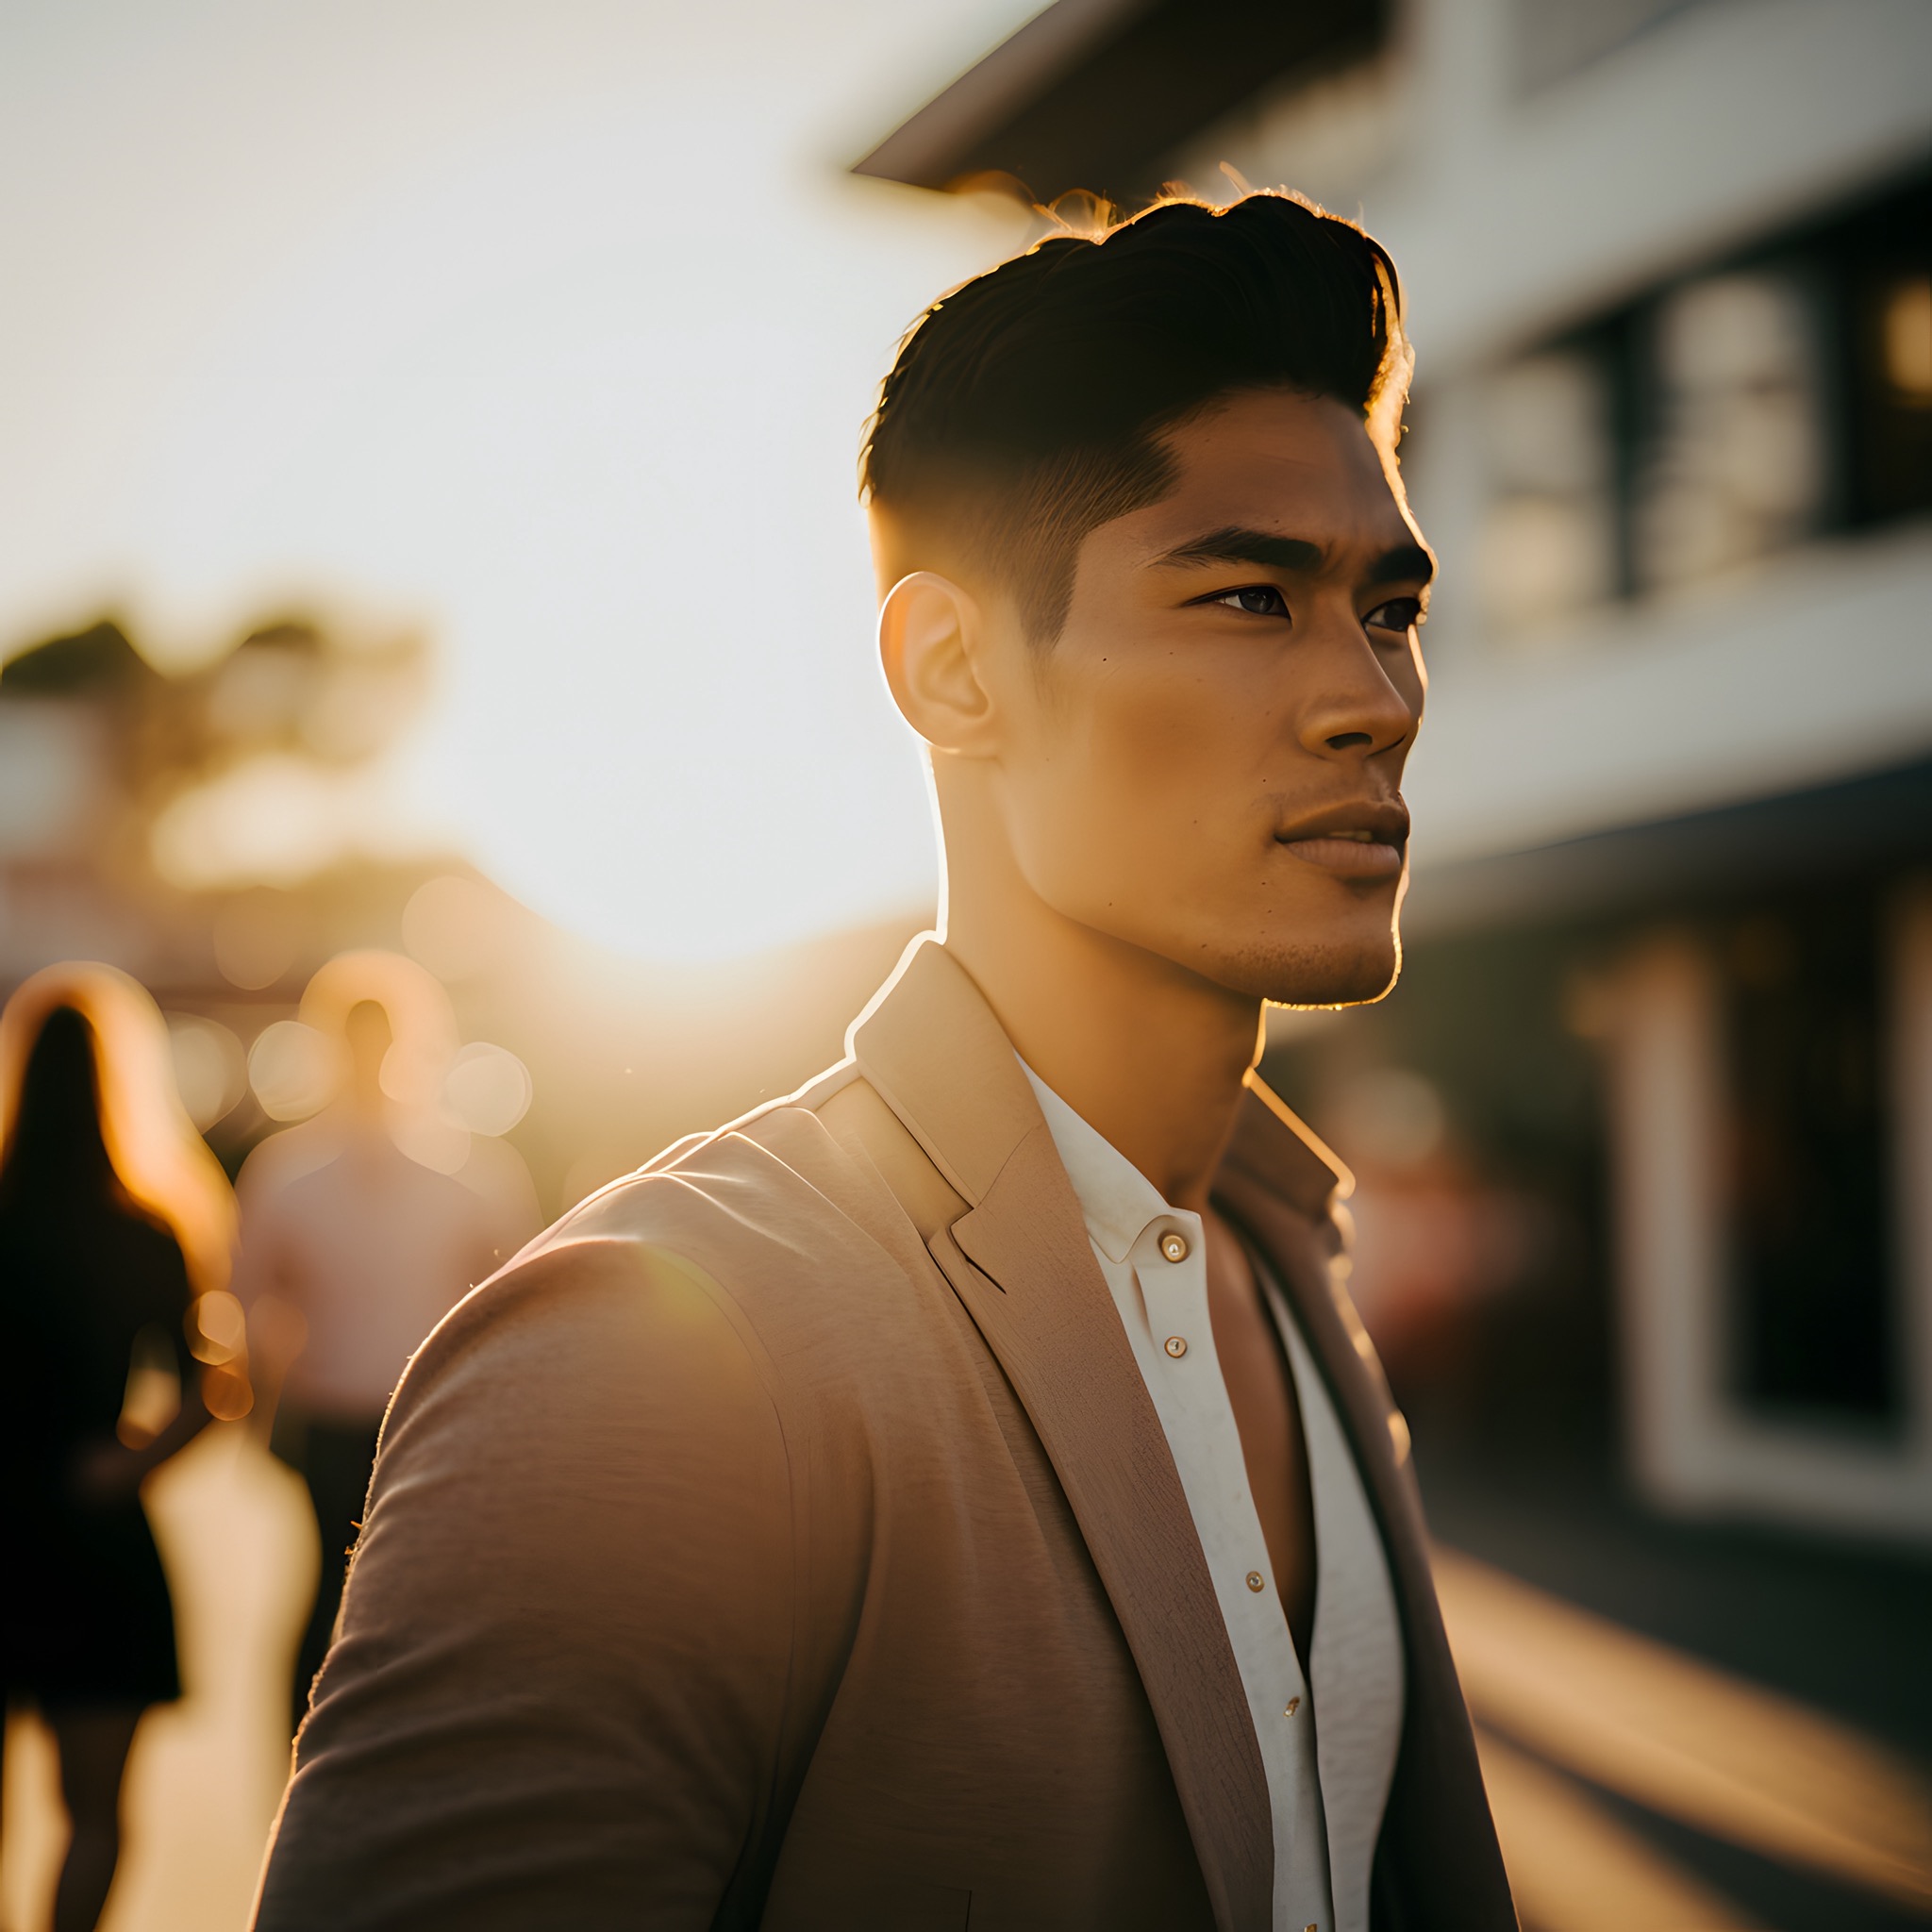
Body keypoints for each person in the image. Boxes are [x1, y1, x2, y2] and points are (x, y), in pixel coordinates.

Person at [252, 192, 1513, 1930]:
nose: (1373, 695)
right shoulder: (653, 1353)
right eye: (1246, 596)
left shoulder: (1287, 1268)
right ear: (952, 670)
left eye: (1389, 608)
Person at [234, 952, 539, 1730]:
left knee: (419, 1598)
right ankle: (306, 1768)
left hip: (435, 1419)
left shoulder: (472, 1170)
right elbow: (245, 1304)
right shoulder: (290, 1171)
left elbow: (518, 1302)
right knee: (334, 1598)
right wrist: (261, 1410)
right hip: (331, 1418)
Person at [0, 965, 238, 1932]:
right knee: (94, 1814)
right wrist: (131, 1462)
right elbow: (214, 1386)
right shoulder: (147, 1228)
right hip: (95, 1539)